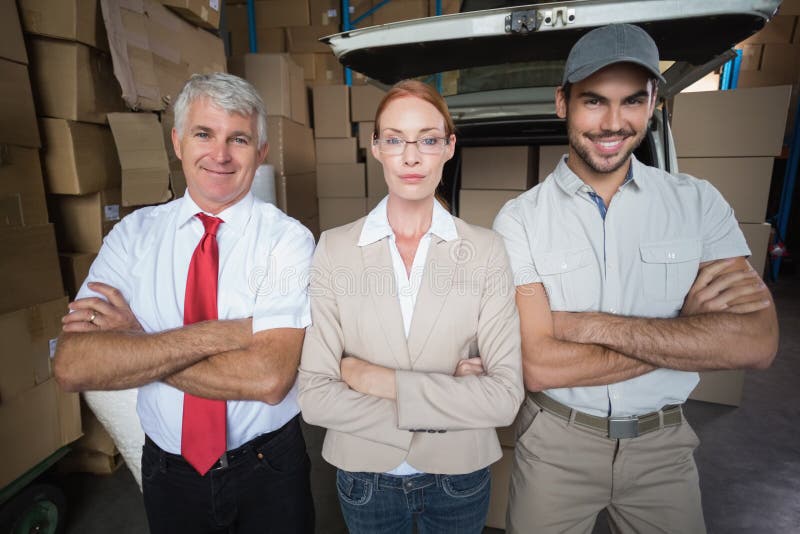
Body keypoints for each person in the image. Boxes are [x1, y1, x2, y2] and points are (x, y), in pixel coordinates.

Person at [493, 24, 779, 534]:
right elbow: (539, 365)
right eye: (594, 101)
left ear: (652, 105)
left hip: (662, 448)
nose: (612, 122)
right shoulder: (520, 219)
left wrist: (580, 324)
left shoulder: (698, 203)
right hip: (555, 445)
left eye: (632, 101)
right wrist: (686, 331)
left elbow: (755, 342)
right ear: (563, 103)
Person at [54, 73, 316, 534]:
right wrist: (234, 331)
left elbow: (269, 378)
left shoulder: (288, 241)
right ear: (177, 141)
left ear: (261, 151)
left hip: (267, 466)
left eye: (238, 138)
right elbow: (74, 365)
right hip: (170, 472)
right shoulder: (132, 237)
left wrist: (135, 343)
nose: (219, 154)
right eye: (203, 134)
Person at [297, 80, 524, 533]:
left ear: (449, 146)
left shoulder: (486, 250)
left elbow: (503, 399)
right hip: (366, 477)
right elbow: (315, 397)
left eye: (429, 139)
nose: (412, 156)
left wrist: (373, 379)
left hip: (458, 477)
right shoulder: (335, 249)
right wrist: (446, 398)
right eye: (395, 139)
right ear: (377, 147)